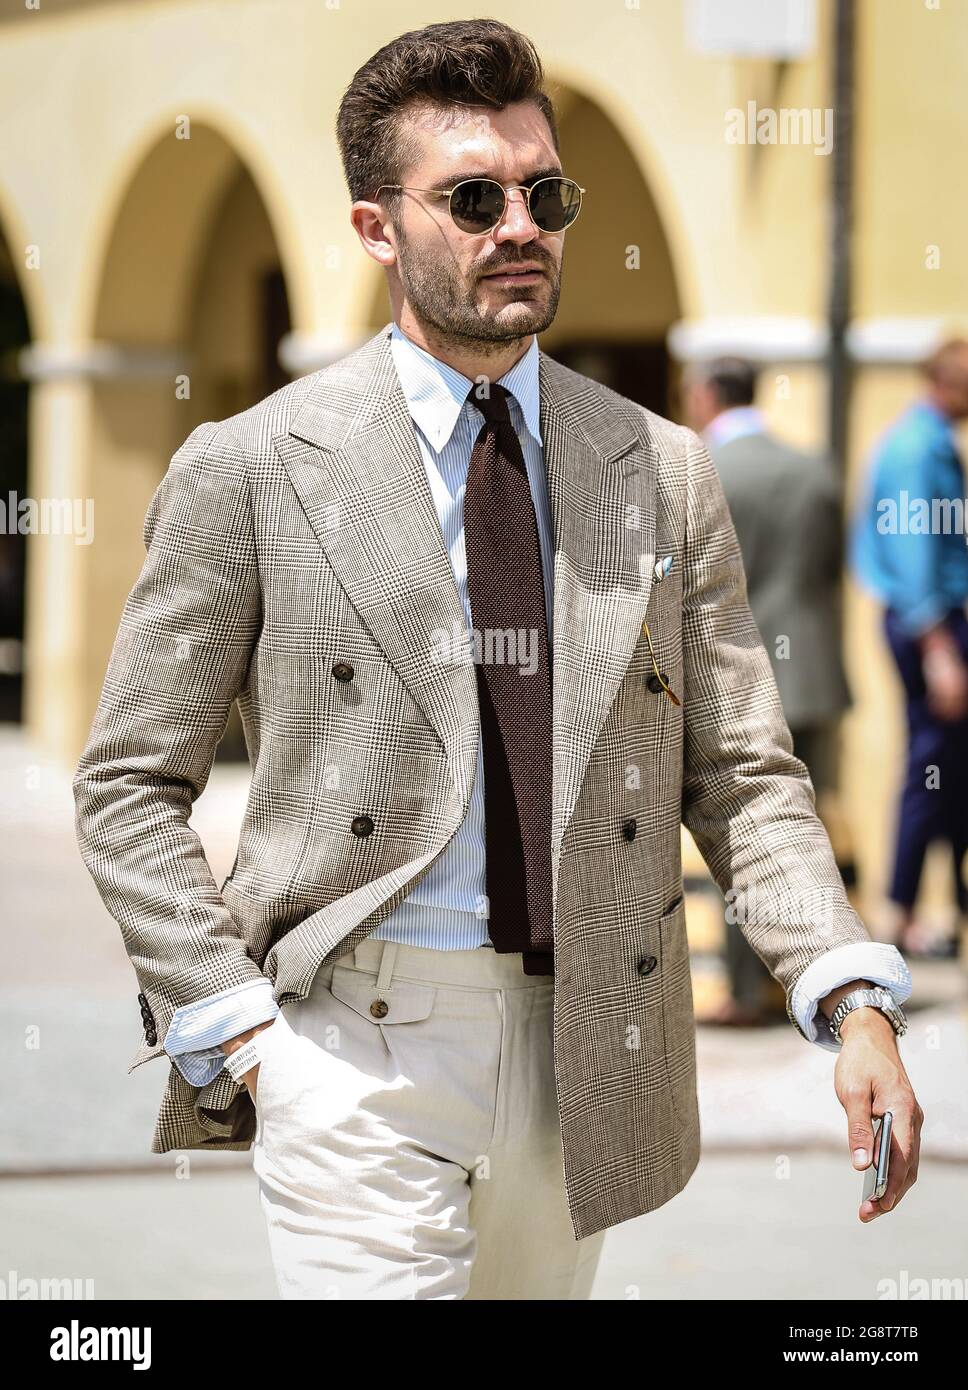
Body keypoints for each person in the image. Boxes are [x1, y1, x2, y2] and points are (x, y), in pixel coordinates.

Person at [73, 18, 920, 1301]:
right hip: (349, 1046)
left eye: (544, 193)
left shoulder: (657, 470)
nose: (517, 224)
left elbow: (741, 773)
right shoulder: (250, 468)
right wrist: (244, 1031)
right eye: (472, 198)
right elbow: (127, 782)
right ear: (376, 229)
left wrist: (847, 991)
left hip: (587, 1041)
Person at [685, 358, 853, 1023]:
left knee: (740, 820)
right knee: (800, 822)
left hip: (737, 674)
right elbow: (831, 571)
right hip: (813, 668)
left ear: (705, 395)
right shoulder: (816, 468)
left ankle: (746, 988)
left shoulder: (705, 471)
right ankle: (816, 970)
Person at [851, 339, 968, 958]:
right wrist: (940, 647)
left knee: (947, 767)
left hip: (933, 622)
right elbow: (917, 549)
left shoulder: (921, 440)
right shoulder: (917, 448)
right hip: (933, 625)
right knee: (932, 767)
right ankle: (899, 910)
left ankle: (919, 908)